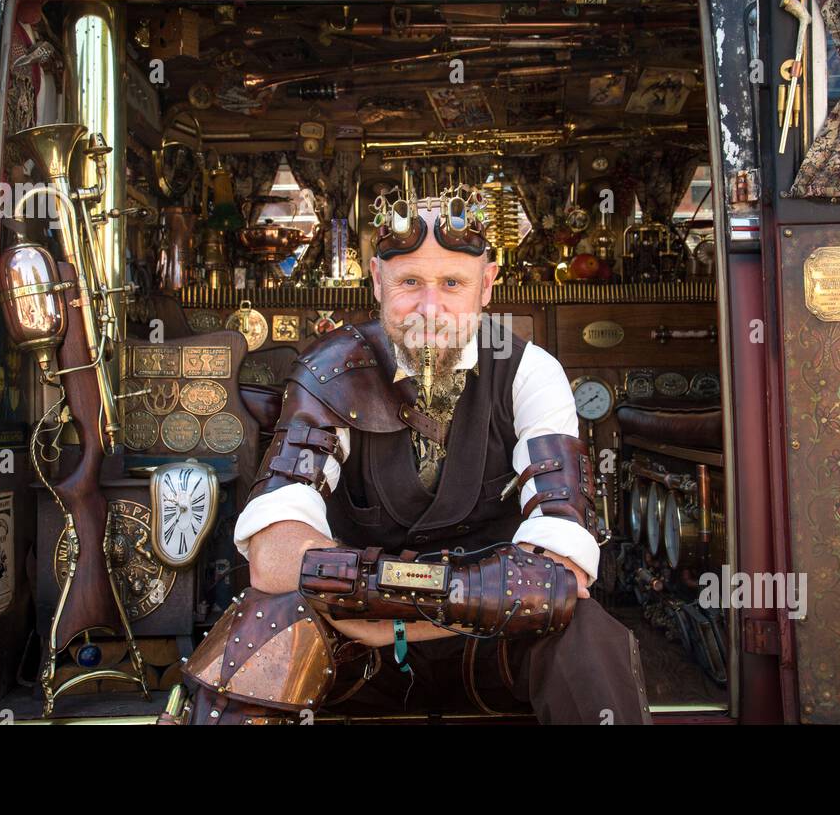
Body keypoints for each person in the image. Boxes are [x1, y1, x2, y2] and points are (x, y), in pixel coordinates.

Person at [172, 191, 651, 725]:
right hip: (360, 661)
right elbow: (272, 554)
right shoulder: (330, 371)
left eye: (452, 284)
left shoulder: (529, 372)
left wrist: (390, 619)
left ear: (487, 286)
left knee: (587, 630)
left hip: (491, 649)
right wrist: (416, 614)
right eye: (409, 283)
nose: (430, 308)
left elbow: (562, 570)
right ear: (377, 281)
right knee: (266, 620)